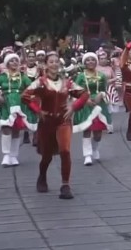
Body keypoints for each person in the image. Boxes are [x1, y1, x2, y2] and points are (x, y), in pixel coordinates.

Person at [21, 53, 89, 199]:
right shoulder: (40, 82)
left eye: (56, 62)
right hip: (47, 122)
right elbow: (25, 96)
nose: (54, 64)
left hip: (63, 121)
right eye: (51, 62)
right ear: (45, 65)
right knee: (47, 155)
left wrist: (73, 107)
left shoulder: (67, 83)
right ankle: (42, 176)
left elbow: (84, 94)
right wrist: (38, 111)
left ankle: (65, 185)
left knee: (65, 150)